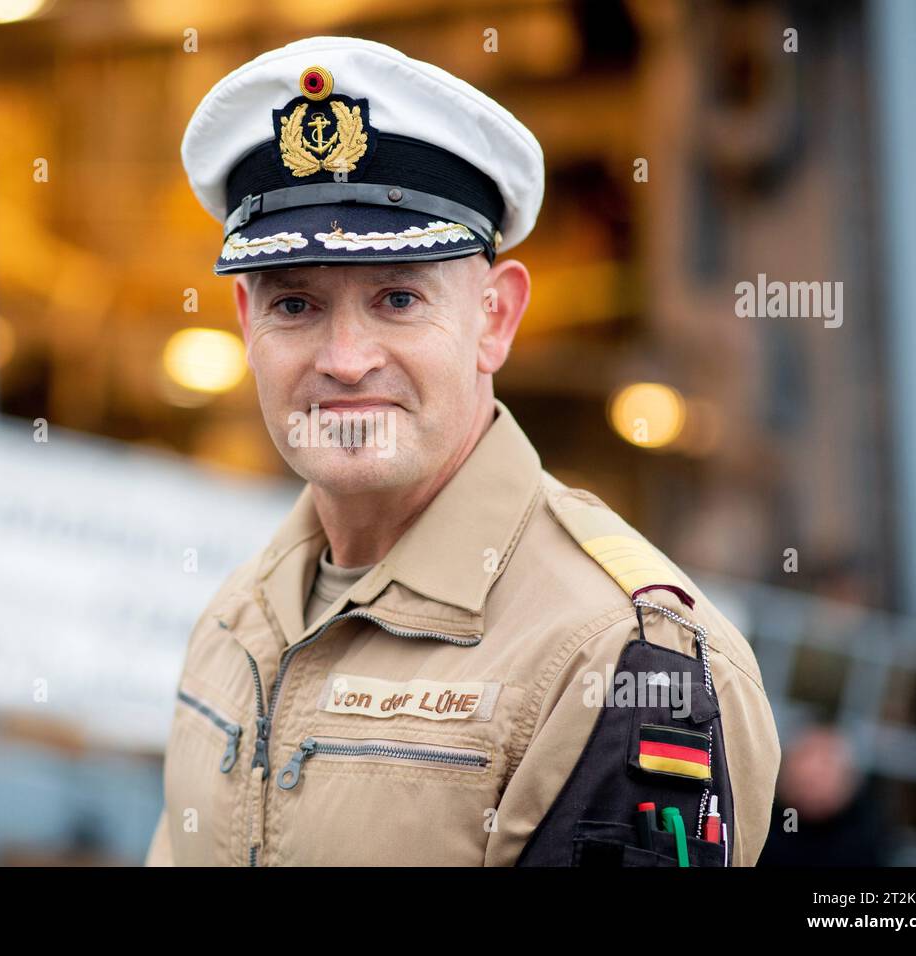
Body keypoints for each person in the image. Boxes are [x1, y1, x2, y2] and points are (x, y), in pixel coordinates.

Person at [145, 36, 780, 866]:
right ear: (244, 323)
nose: (345, 360)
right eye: (294, 305)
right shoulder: (240, 615)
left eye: (398, 298)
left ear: (495, 318)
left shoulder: (623, 659)